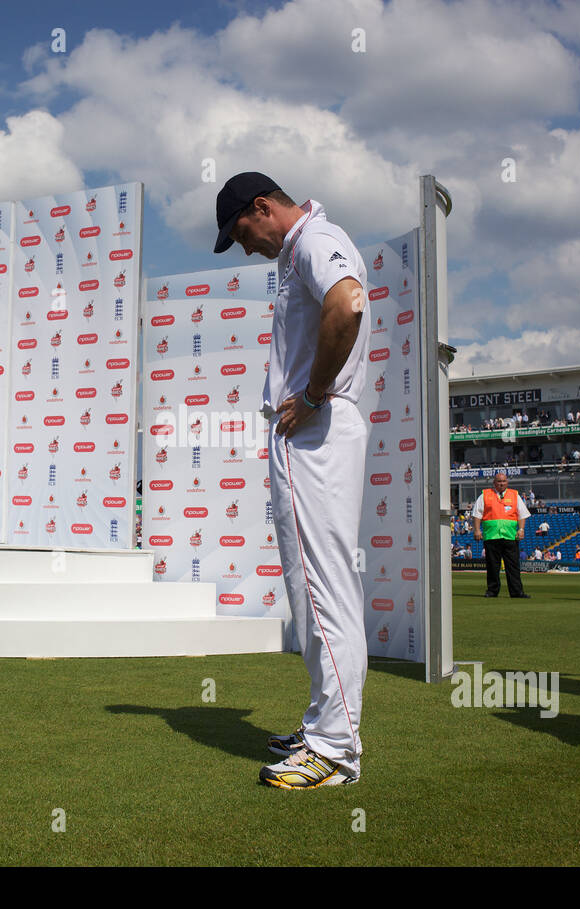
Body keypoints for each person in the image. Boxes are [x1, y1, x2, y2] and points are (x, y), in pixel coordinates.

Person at [214, 171, 369, 789]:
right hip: (309, 428)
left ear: (262, 207)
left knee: (326, 588)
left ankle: (335, 748)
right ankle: (322, 724)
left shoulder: (313, 237)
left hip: (317, 425)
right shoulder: (303, 246)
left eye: (240, 232)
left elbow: (347, 302)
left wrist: (311, 392)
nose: (244, 246)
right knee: (310, 590)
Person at [471, 471, 531, 598]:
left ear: (507, 482)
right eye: (499, 481)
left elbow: (522, 514)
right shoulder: (485, 495)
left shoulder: (515, 495)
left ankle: (516, 592)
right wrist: (477, 530)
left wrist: (521, 529)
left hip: (510, 536)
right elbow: (477, 514)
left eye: (503, 481)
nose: (501, 484)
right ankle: (492, 591)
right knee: (493, 565)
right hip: (491, 536)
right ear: (494, 483)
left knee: (513, 566)